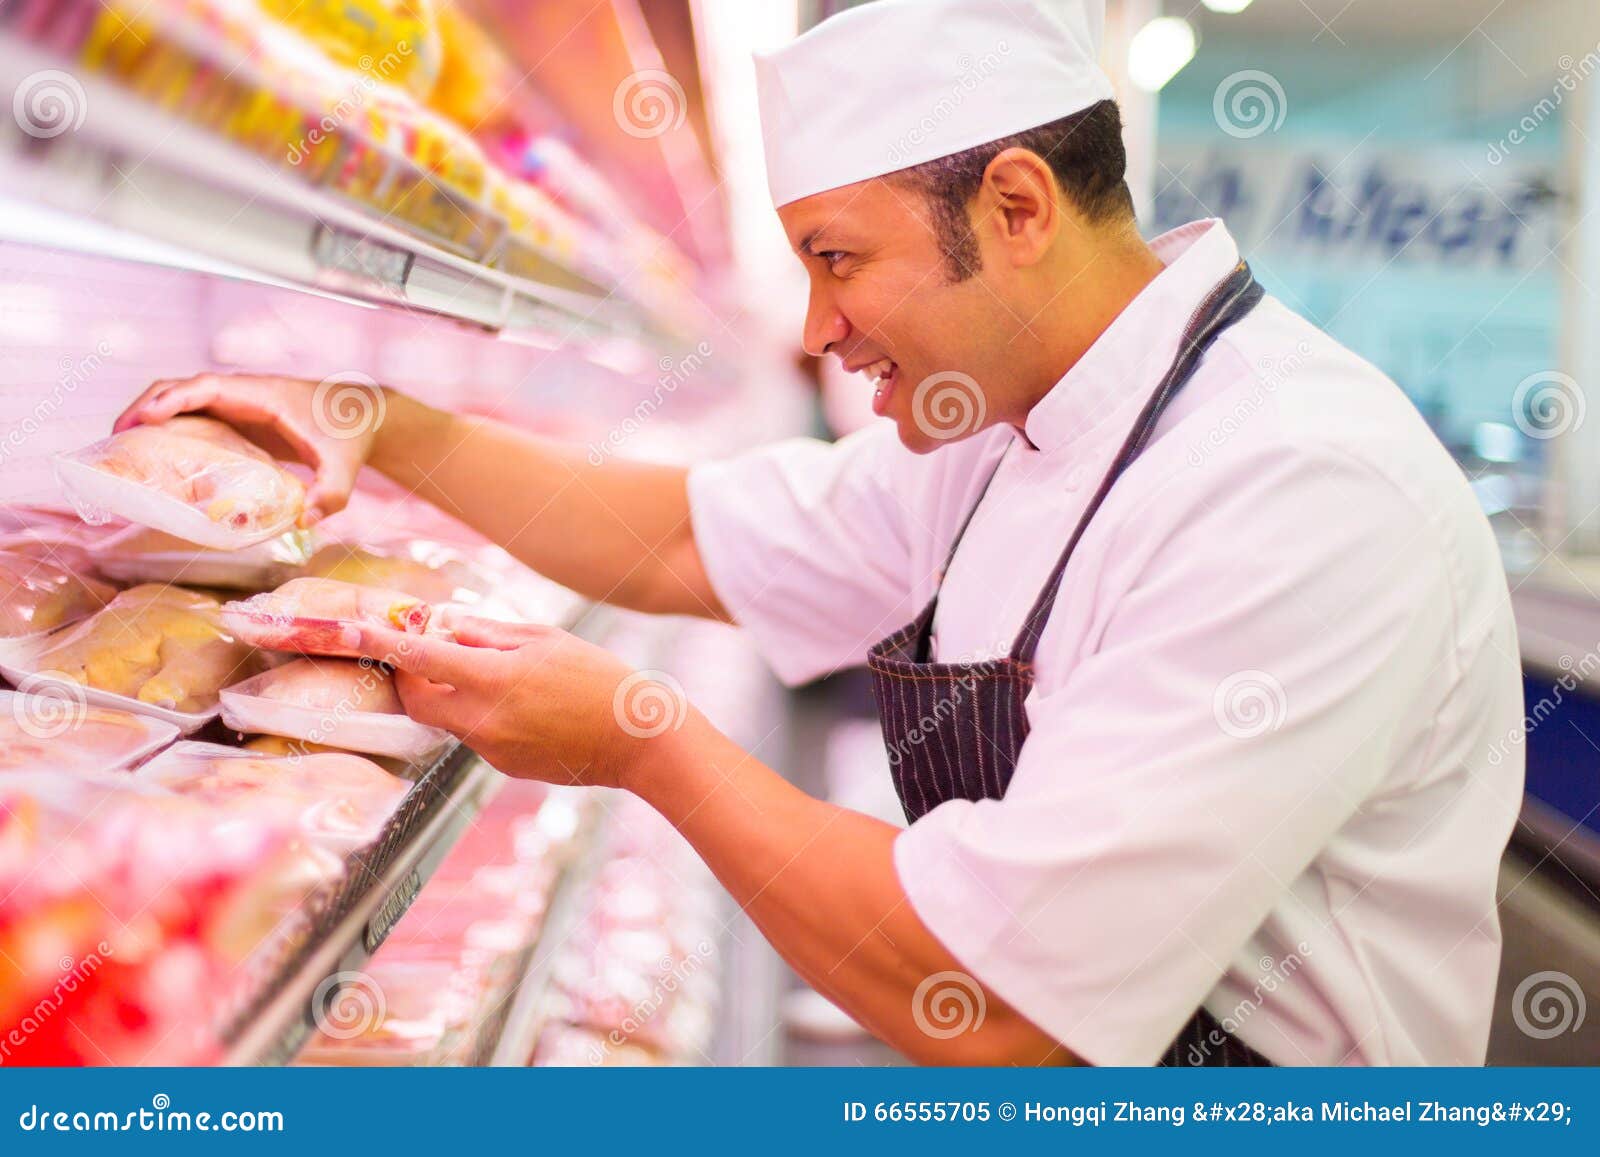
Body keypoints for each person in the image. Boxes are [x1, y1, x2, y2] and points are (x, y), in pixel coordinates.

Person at [114, 0, 1524, 1065]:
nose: (815, 330)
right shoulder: (1011, 428)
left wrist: (640, 736)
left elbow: (1010, 1001)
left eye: (837, 259)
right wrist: (380, 422)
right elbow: (679, 543)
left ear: (1017, 207)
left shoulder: (1292, 490)